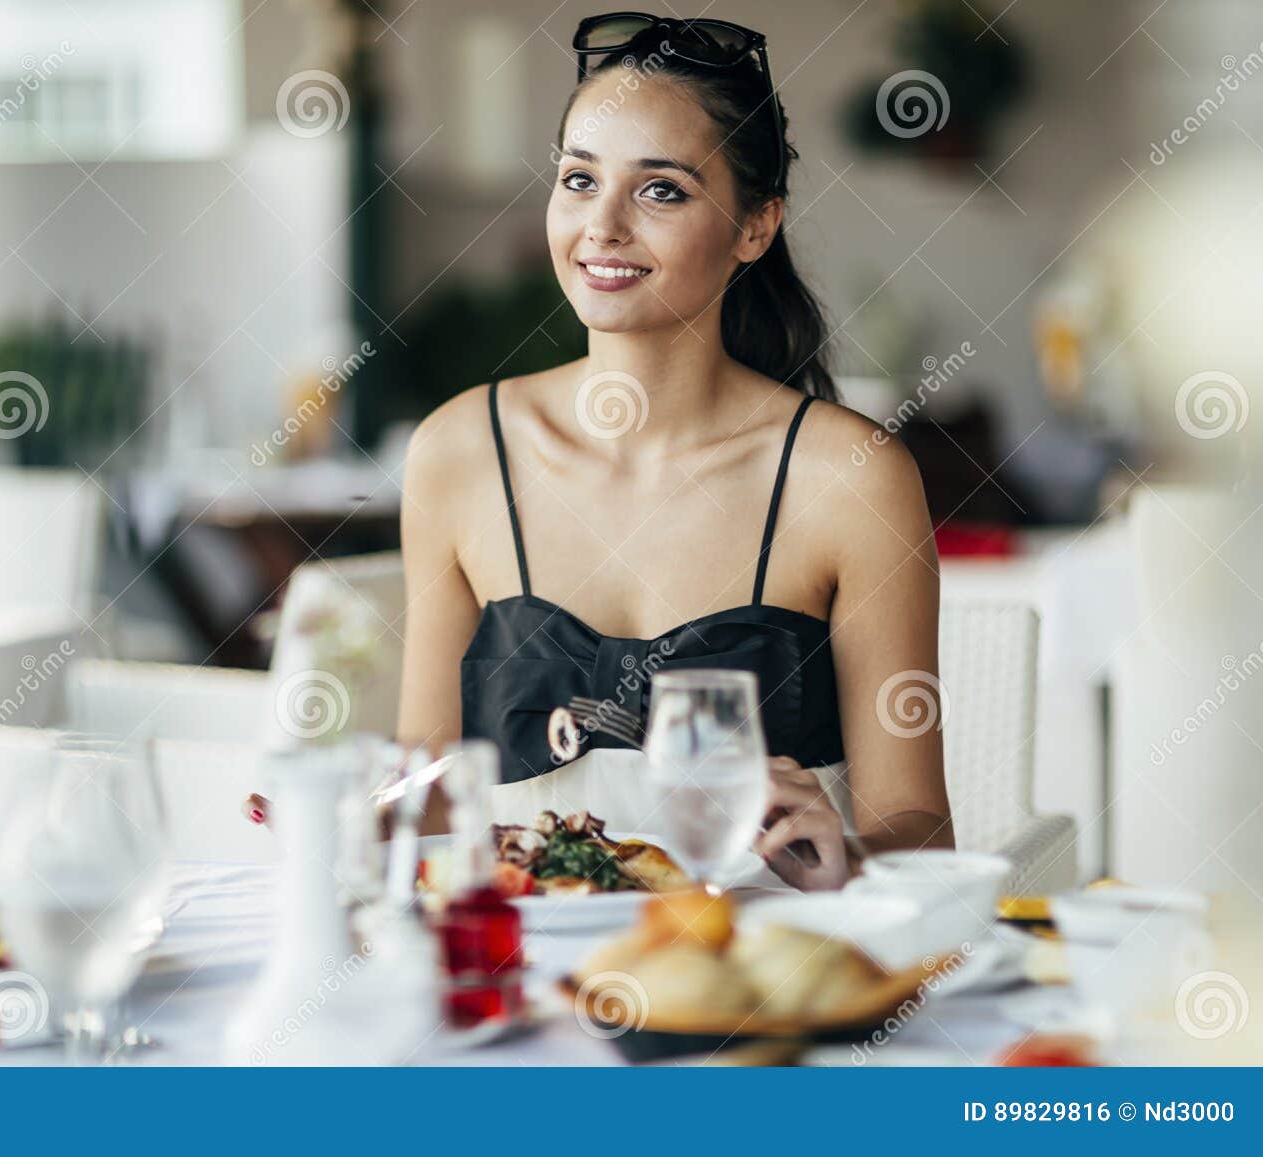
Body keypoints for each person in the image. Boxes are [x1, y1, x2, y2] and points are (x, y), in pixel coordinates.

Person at [252, 14, 953, 890]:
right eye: (579, 179)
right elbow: (434, 793)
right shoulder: (461, 452)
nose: (604, 225)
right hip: (524, 976)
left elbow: (922, 833)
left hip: (753, 976)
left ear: (755, 226)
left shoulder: (849, 478)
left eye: (661, 190)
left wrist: (849, 853)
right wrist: (354, 810)